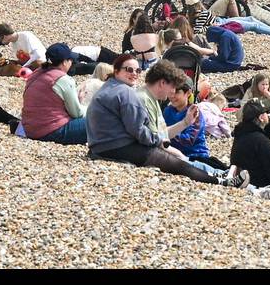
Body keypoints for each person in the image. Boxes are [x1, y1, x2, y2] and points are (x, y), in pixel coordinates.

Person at [86, 54, 246, 187]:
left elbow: (144, 131)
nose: (134, 73)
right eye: (129, 70)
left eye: (138, 70)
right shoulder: (127, 94)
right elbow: (139, 131)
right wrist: (159, 142)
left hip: (101, 144)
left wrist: (182, 125)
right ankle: (221, 181)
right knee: (175, 163)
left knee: (177, 159)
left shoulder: (112, 88)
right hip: (112, 147)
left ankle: (220, 177)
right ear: (116, 71)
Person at [21, 43, 90, 144]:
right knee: (103, 120)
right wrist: (87, 107)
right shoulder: (62, 79)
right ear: (64, 62)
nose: (71, 62)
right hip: (52, 131)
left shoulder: (36, 73)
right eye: (70, 60)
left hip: (29, 129)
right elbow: (76, 113)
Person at [229, 97, 270, 200]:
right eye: (266, 113)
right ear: (261, 117)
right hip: (259, 184)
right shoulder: (262, 142)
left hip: (241, 179)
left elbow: (257, 136)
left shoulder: (240, 132)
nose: (268, 114)